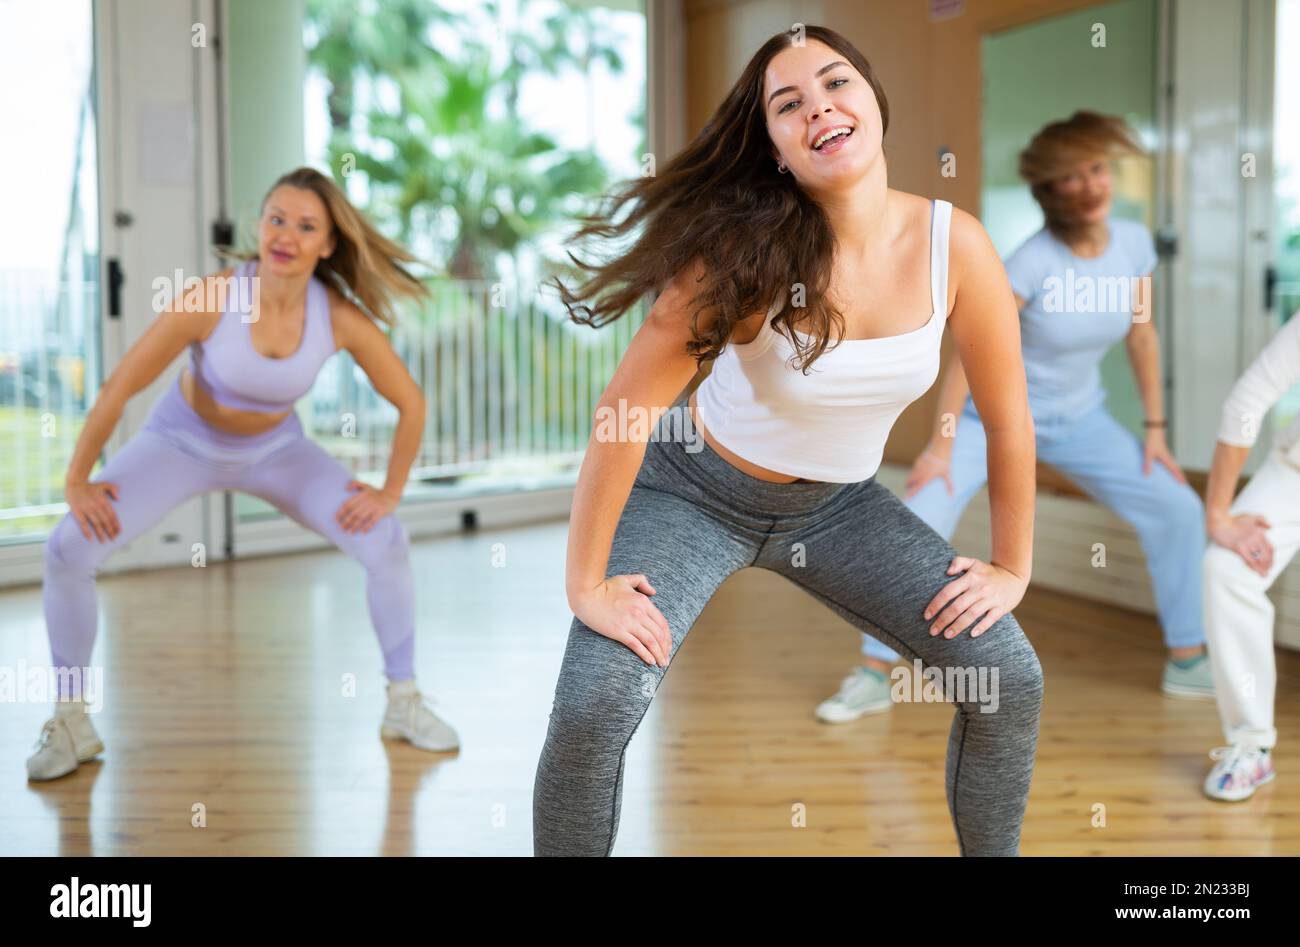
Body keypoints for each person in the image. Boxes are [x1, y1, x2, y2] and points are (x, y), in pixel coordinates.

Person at [532, 25, 1043, 856]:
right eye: (789, 103)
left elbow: (1009, 412)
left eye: (837, 84)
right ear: (772, 146)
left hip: (837, 510)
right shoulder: (739, 258)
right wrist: (585, 582)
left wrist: (1013, 563)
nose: (822, 109)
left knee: (1009, 680)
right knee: (595, 703)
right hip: (691, 492)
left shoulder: (957, 245)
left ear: (873, 100)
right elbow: (621, 413)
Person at [28, 167, 459, 782]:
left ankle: (403, 701)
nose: (285, 235)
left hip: (276, 452)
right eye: (275, 218)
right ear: (260, 224)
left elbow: (410, 402)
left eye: (306, 225)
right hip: (180, 441)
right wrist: (78, 479)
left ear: (328, 244)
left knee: (386, 541)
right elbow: (120, 385)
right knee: (68, 549)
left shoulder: (336, 316)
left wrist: (390, 493)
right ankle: (71, 720)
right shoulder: (213, 297)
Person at [817, 111, 1211, 724]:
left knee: (1179, 508)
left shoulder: (1133, 245)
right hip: (989, 423)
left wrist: (1156, 433)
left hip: (1082, 422)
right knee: (922, 508)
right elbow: (964, 356)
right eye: (1071, 178)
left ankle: (1189, 659)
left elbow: (1142, 336)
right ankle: (874, 671)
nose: (1091, 185)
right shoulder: (1029, 262)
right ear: (1048, 192)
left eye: (1098, 170)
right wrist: (941, 446)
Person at [1199, 307, 1300, 800]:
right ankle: (1251, 744)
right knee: (1225, 568)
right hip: (1294, 474)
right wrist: (1218, 514)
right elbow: (1249, 397)